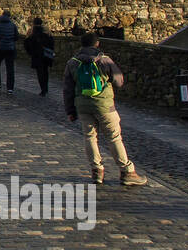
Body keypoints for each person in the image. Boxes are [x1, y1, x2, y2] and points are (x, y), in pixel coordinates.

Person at [62, 33, 148, 187]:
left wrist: (70, 111)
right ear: (97, 44)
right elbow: (119, 81)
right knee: (114, 137)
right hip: (104, 105)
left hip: (83, 106)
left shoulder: (72, 62)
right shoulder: (104, 60)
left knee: (90, 137)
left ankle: (97, 171)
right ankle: (127, 172)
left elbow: (67, 89)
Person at [23, 17, 56, 96]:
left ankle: (43, 89)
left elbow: (27, 44)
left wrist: (30, 53)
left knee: (40, 73)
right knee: (45, 71)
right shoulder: (47, 32)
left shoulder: (31, 32)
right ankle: (46, 88)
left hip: (37, 55)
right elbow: (52, 43)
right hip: (46, 55)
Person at [0, 10, 18, 94]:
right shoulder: (13, 25)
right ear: (9, 16)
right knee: (10, 68)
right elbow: (16, 37)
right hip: (10, 48)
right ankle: (10, 88)